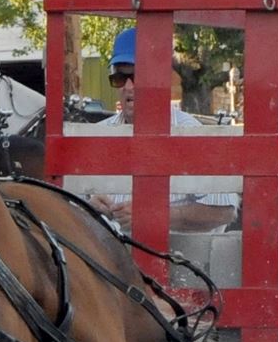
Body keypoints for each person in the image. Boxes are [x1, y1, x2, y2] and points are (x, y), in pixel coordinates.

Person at [87, 28, 238, 234]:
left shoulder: (190, 134)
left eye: (137, 75)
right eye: (119, 77)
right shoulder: (97, 135)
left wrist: (153, 216)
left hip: (178, 259)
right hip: (108, 259)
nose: (128, 86)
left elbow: (224, 211)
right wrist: (89, 207)